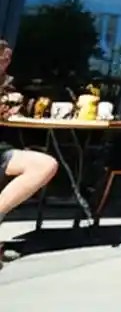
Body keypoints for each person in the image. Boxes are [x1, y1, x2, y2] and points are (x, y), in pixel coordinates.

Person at [0, 40, 58, 266]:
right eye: (1, 58)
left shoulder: (11, 86)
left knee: (45, 164)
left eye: (6, 59)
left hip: (4, 150)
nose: (4, 63)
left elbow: (23, 108)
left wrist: (22, 107)